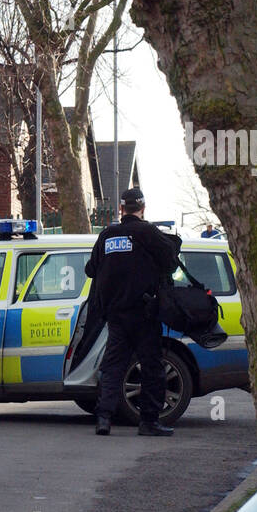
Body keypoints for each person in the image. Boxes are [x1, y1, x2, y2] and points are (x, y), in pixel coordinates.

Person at [85, 187, 182, 437]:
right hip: (144, 313)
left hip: (115, 315)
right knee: (151, 366)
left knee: (113, 366)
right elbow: (171, 261)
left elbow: (90, 270)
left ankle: (104, 419)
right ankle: (149, 422)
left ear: (121, 209)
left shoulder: (107, 235)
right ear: (142, 209)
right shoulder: (148, 232)